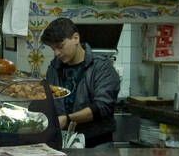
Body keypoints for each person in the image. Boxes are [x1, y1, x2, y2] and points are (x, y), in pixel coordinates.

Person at [40, 17, 121, 148]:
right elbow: (49, 100)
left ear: (76, 38)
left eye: (60, 47)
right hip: (63, 142)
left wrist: (68, 119)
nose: (57, 53)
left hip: (96, 144)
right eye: (53, 49)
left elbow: (102, 107)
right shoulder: (54, 68)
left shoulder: (101, 67)